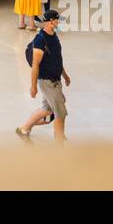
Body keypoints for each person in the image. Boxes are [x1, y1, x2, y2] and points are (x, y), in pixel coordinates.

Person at [16, 9, 70, 141]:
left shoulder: (54, 35)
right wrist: (33, 87)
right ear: (51, 21)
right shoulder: (41, 40)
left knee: (47, 110)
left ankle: (24, 129)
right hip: (48, 82)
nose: (59, 22)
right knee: (60, 114)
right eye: (57, 19)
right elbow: (35, 65)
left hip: (55, 79)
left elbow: (57, 59)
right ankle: (59, 142)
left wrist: (65, 75)